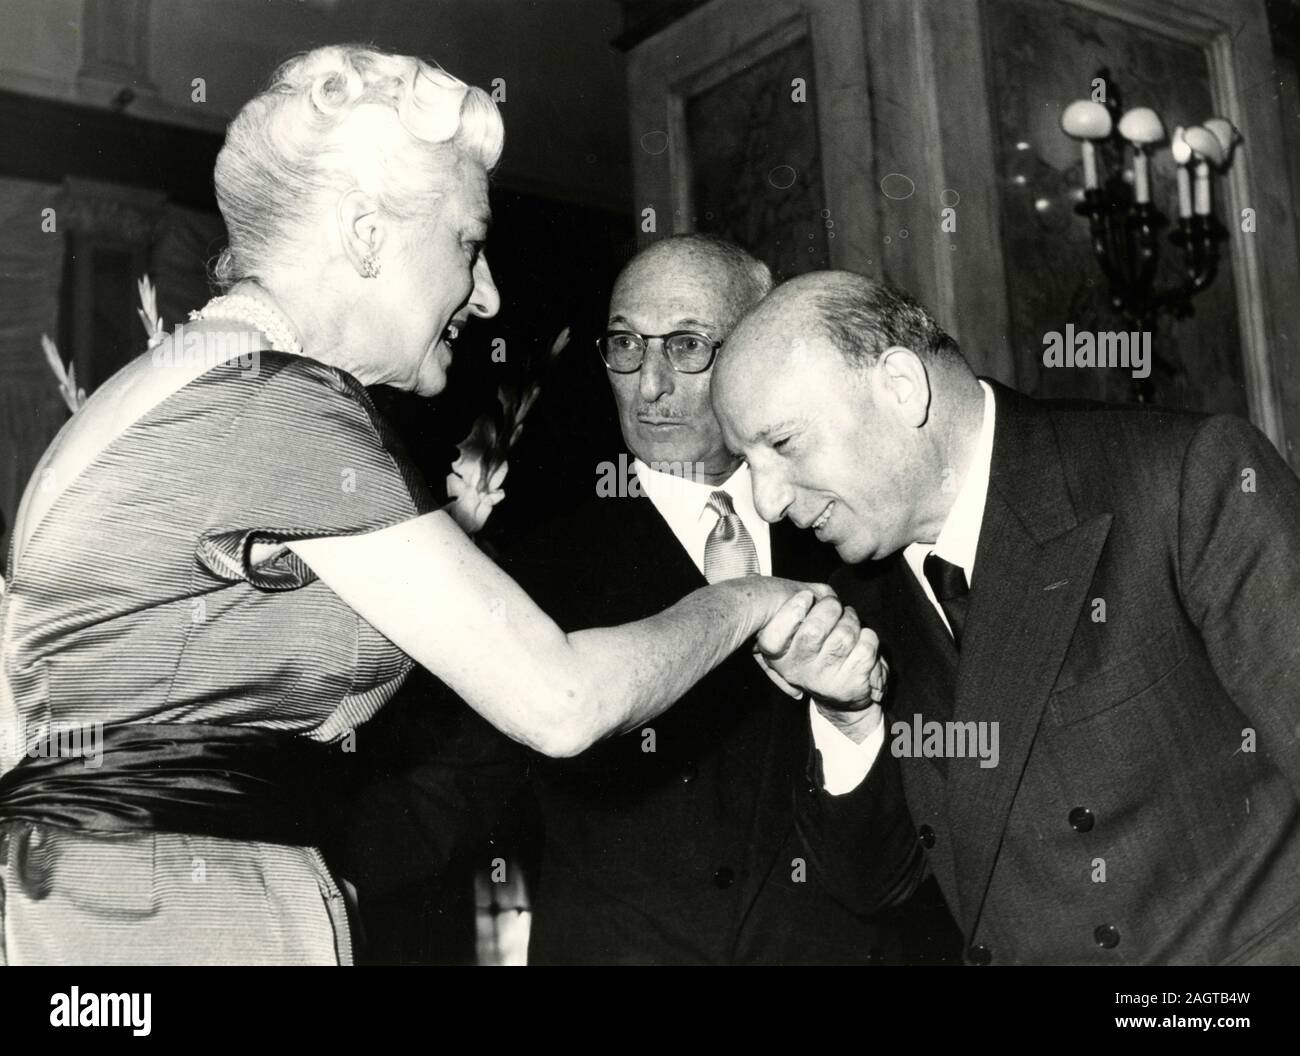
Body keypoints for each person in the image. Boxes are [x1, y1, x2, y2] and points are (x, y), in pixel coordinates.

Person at [0, 46, 856, 966]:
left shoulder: (144, 400)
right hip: (196, 921)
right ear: (367, 233)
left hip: (80, 916)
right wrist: (754, 600)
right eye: (468, 243)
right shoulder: (283, 401)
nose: (486, 296)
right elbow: (562, 702)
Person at [339, 235, 953, 964]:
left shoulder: (863, 539)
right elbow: (443, 793)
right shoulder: (536, 567)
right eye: (626, 345)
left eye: (688, 345)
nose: (649, 384)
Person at [714, 269, 1300, 965]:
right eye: (746, 463)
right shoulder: (861, 604)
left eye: (781, 445)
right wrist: (849, 717)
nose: (769, 501)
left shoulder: (1178, 478)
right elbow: (878, 888)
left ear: (900, 386)